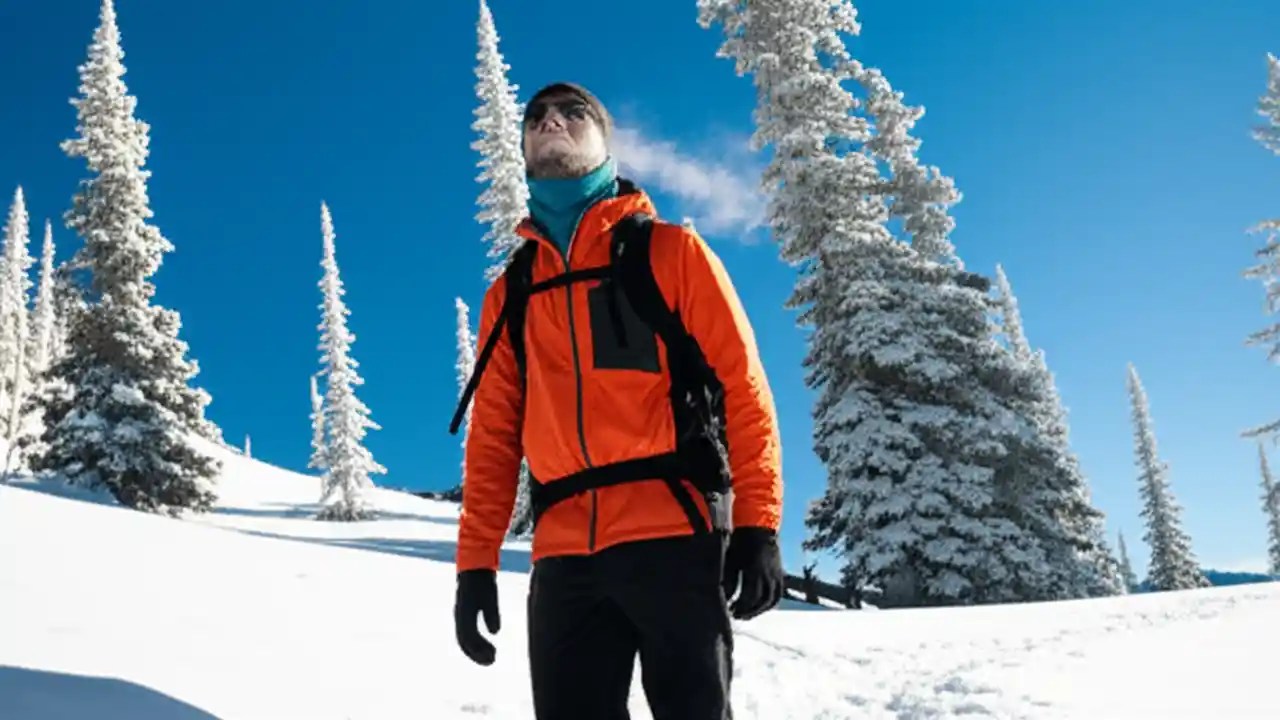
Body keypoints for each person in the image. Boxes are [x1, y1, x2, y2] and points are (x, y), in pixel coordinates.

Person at [452, 81, 785, 720]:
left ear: (606, 140)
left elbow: (744, 388)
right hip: (564, 559)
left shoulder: (671, 253)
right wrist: (475, 566)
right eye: (537, 116)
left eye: (573, 112)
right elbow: (493, 437)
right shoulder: (511, 295)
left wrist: (759, 524)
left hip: (675, 535)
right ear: (522, 147)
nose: (551, 121)